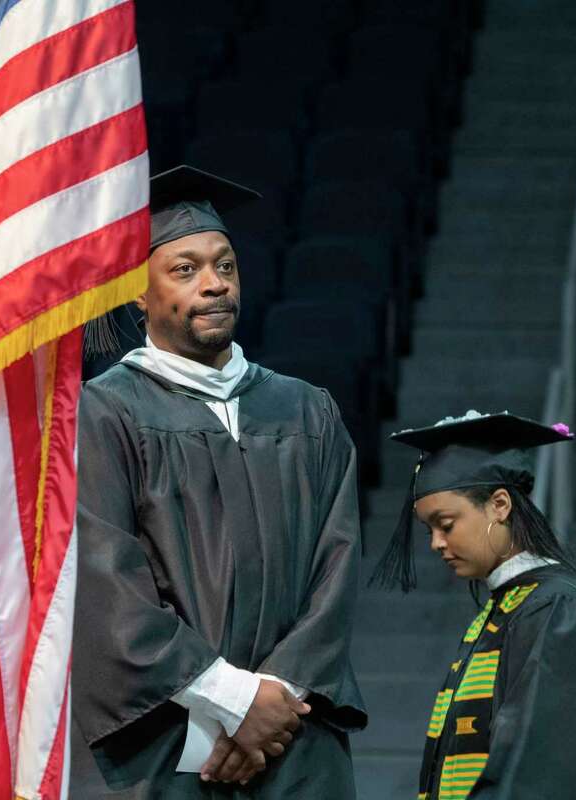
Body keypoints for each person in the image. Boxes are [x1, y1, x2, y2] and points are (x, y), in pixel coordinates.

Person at [71, 165, 366, 798]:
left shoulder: (305, 411)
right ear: (138, 294)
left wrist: (273, 702)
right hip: (173, 739)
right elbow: (108, 584)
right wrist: (232, 702)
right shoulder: (106, 413)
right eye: (185, 270)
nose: (214, 285)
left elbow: (337, 567)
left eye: (225, 266)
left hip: (298, 735)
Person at [371, 410, 576, 799]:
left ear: (500, 504)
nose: (436, 543)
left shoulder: (556, 610)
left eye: (447, 524)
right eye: (429, 530)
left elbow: (539, 771)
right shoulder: (510, 606)